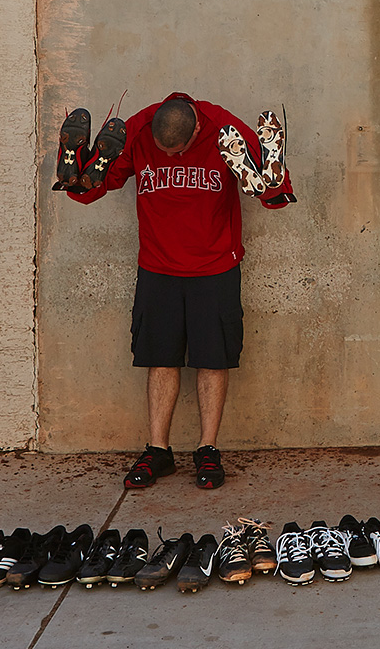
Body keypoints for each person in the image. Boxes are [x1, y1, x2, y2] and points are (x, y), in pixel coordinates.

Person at [64, 91, 293, 490]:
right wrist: (80, 181)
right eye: (162, 152)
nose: (169, 158)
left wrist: (270, 185)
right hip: (158, 266)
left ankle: (208, 449)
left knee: (213, 360)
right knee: (160, 358)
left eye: (178, 152)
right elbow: (97, 189)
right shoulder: (138, 128)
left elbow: (277, 198)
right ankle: (158, 451)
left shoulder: (223, 127)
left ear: (197, 129)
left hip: (216, 265)